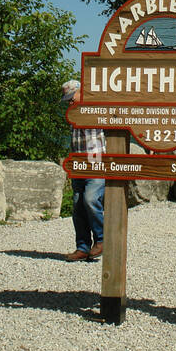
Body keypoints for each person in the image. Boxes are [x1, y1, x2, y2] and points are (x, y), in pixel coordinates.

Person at [62, 79, 105, 263]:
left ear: (82, 92)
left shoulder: (96, 109)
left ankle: (103, 239)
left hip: (96, 163)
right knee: (78, 206)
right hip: (79, 164)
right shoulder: (72, 115)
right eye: (68, 99)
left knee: (90, 199)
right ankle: (83, 247)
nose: (70, 101)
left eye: (72, 97)